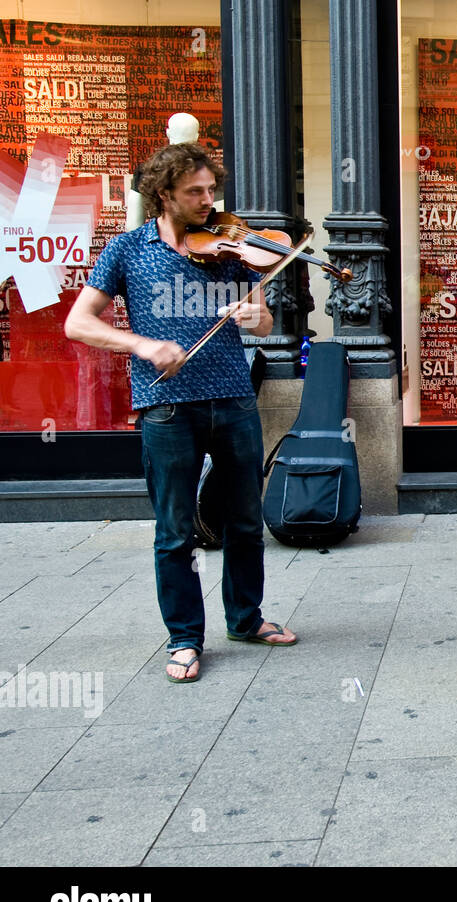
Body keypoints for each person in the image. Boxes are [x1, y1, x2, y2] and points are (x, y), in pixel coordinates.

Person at [64, 143, 297, 683]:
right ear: (163, 194)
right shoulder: (127, 251)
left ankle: (245, 619)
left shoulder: (231, 248)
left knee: (243, 521)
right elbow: (79, 323)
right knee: (174, 530)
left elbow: (263, 326)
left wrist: (253, 315)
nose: (208, 201)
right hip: (167, 408)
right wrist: (142, 345)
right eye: (195, 192)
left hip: (234, 399)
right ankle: (185, 638)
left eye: (211, 190)